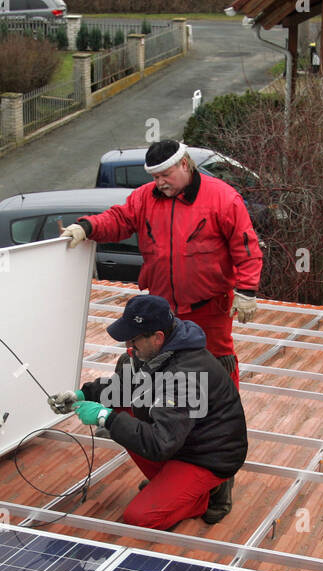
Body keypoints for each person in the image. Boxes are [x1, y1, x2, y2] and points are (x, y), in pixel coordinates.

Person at [62, 139, 261, 389]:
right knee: (154, 362)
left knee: (216, 361)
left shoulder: (223, 199)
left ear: (185, 165)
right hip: (161, 306)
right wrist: (87, 227)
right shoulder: (144, 198)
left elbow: (245, 246)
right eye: (155, 177)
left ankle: (225, 415)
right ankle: (158, 414)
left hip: (209, 306)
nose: (160, 182)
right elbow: (119, 220)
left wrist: (246, 290)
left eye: (166, 175)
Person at [49, 295, 247, 528]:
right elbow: (127, 387)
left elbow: (161, 443)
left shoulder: (186, 376)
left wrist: (105, 417)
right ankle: (172, 487)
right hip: (183, 439)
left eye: (133, 341)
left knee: (140, 517)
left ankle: (201, 497)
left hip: (208, 456)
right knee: (122, 405)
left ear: (158, 337)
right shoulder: (161, 353)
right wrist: (83, 395)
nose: (129, 348)